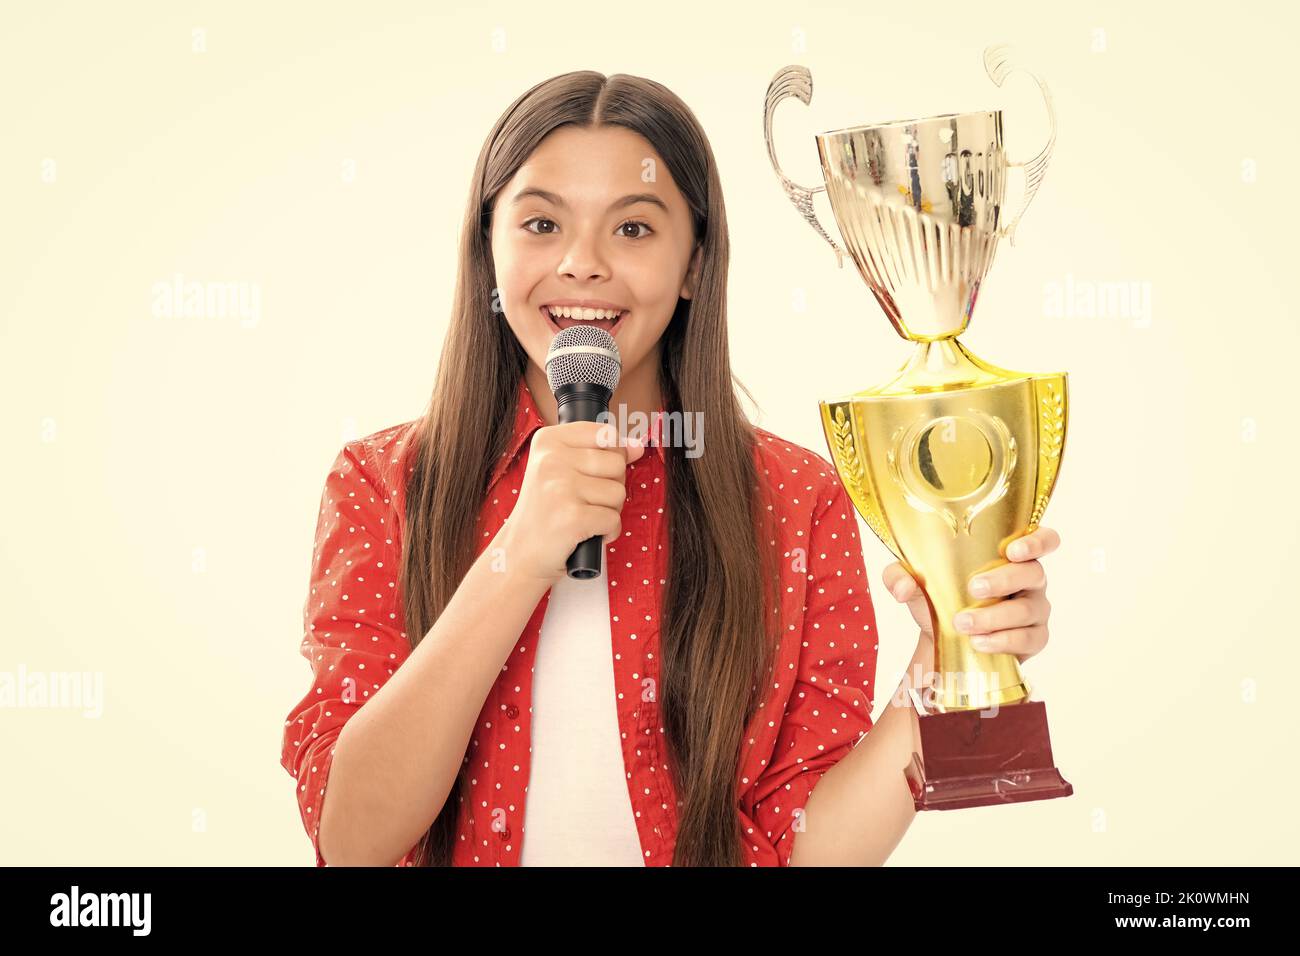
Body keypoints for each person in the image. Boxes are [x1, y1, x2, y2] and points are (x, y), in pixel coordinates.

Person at [280, 71, 1060, 867]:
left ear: (694, 266)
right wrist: (517, 556)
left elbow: (812, 851)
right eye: (542, 222)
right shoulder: (382, 483)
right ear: (488, 250)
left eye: (634, 230)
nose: (582, 264)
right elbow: (352, 839)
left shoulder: (795, 500)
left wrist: (944, 661)